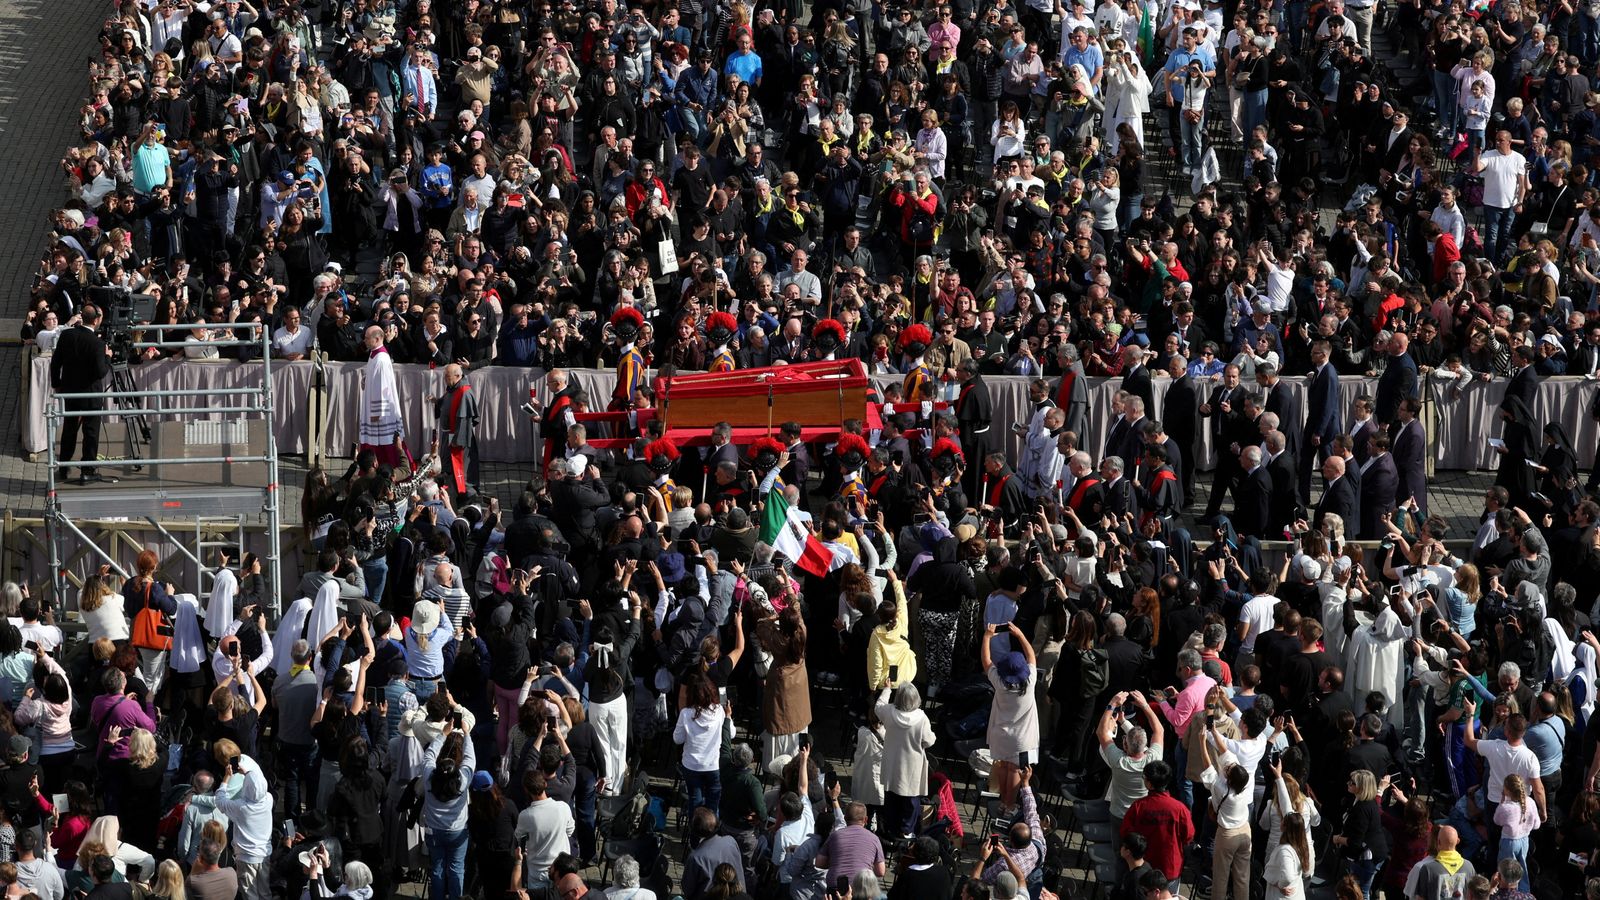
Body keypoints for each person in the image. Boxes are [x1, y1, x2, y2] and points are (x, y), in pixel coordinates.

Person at [49, 303, 112, 484]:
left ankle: (64, 465)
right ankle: (88, 470)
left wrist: (57, 384)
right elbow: (101, 372)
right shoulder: (98, 343)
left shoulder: (67, 335)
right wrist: (108, 356)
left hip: (70, 391)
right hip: (90, 394)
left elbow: (56, 363)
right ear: (97, 320)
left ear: (82, 317)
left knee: (69, 428)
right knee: (90, 432)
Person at [359, 324, 405, 467]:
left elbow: (384, 388)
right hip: (373, 406)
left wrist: (378, 412)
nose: (364, 341)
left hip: (380, 413)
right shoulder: (374, 354)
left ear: (377, 339)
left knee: (384, 443)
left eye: (367, 338)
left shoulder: (381, 359)